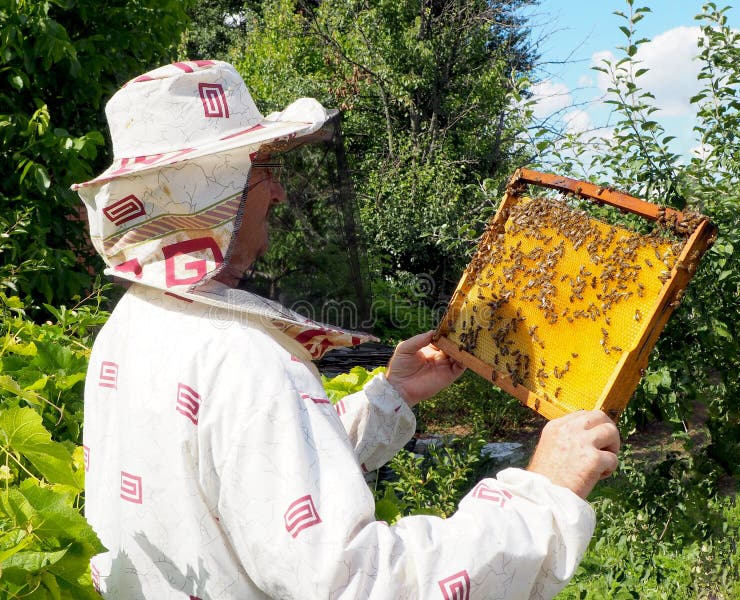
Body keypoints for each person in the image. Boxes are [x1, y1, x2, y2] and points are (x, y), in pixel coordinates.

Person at [75, 60, 620, 599]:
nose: (280, 193)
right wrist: (543, 495)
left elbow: (253, 474)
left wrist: (391, 396)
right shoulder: (239, 355)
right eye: (264, 169)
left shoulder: (130, 327)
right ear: (216, 194)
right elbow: (361, 582)